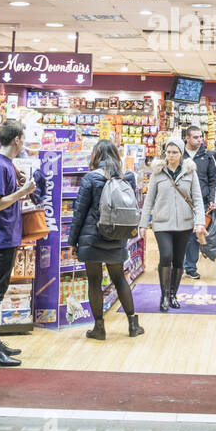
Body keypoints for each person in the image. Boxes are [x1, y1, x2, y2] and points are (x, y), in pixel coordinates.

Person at [68, 139, 144, 340]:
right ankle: (133, 324)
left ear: (96, 155)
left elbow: (80, 212)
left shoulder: (90, 178)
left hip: (92, 237)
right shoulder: (127, 177)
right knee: (119, 278)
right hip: (117, 235)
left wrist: (72, 242)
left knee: (94, 281)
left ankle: (99, 328)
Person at [0, 119, 37, 367]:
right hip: (0, 236)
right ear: (16, 140)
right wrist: (22, 193)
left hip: (6, 235)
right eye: (23, 138)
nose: (24, 143)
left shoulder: (5, 165)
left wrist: (21, 185)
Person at [138, 136, 206, 312]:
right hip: (162, 224)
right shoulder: (157, 173)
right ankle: (164, 295)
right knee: (166, 256)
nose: (171, 155)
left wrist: (199, 222)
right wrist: (143, 224)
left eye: (175, 152)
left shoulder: (190, 172)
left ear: (181, 153)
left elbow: (197, 199)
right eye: (168, 152)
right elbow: (149, 200)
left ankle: (173, 294)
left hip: (184, 224)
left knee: (178, 260)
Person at [181, 125, 216, 280]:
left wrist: (212, 199)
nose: (199, 140)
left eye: (200, 137)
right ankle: (178, 265)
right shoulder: (178, 153)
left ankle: (190, 267)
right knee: (178, 234)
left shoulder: (208, 156)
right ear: (187, 138)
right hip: (180, 201)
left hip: (201, 202)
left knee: (195, 235)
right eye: (195, 137)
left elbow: (213, 180)